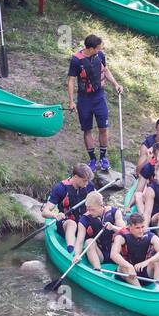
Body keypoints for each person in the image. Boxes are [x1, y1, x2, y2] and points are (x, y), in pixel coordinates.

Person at [67, 34, 123, 172]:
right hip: (84, 100)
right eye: (98, 48)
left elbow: (106, 70)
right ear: (91, 48)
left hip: (99, 98)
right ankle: (92, 159)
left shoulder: (100, 55)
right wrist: (71, 101)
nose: (100, 50)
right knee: (87, 130)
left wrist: (116, 84)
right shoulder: (76, 60)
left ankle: (103, 158)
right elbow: (71, 80)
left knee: (103, 128)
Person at [41, 164, 94, 248]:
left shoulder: (90, 186)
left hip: (84, 223)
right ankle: (71, 249)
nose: (87, 183)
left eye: (88, 181)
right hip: (66, 223)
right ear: (75, 177)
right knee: (71, 224)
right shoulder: (60, 188)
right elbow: (44, 212)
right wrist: (55, 215)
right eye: (84, 181)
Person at [72, 190, 126, 270]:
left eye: (92, 210)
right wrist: (77, 255)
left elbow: (125, 231)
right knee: (88, 241)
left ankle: (124, 266)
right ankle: (97, 269)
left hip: (116, 251)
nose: (90, 212)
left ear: (101, 205)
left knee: (121, 239)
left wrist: (113, 227)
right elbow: (79, 241)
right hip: (100, 253)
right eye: (88, 210)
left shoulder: (115, 212)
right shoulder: (84, 220)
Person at [111, 214, 159, 285]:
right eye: (137, 228)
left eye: (142, 227)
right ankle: (138, 289)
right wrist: (129, 266)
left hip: (143, 270)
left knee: (158, 261)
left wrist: (147, 262)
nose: (141, 230)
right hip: (126, 272)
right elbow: (113, 254)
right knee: (123, 266)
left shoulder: (150, 236)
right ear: (129, 227)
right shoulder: (121, 236)